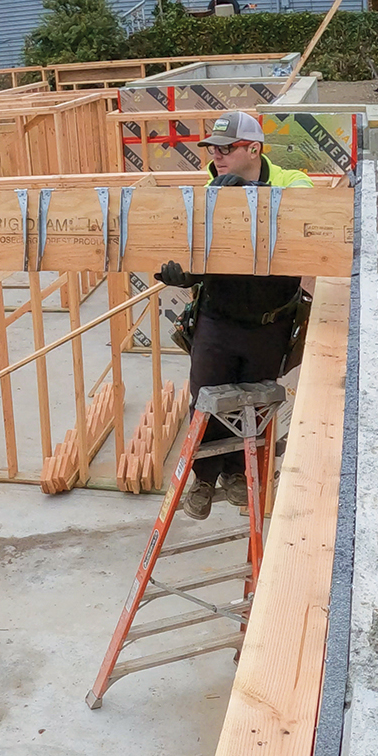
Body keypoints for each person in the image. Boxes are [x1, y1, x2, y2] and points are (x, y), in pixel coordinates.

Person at [154, 110, 314, 519]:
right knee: (206, 400)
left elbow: (307, 207)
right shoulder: (208, 191)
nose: (217, 156)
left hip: (269, 323)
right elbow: (198, 251)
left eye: (227, 149)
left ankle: (239, 473)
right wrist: (184, 275)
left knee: (254, 405)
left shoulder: (290, 180)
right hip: (218, 319)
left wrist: (250, 193)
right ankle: (205, 479)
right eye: (213, 149)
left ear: (254, 149)